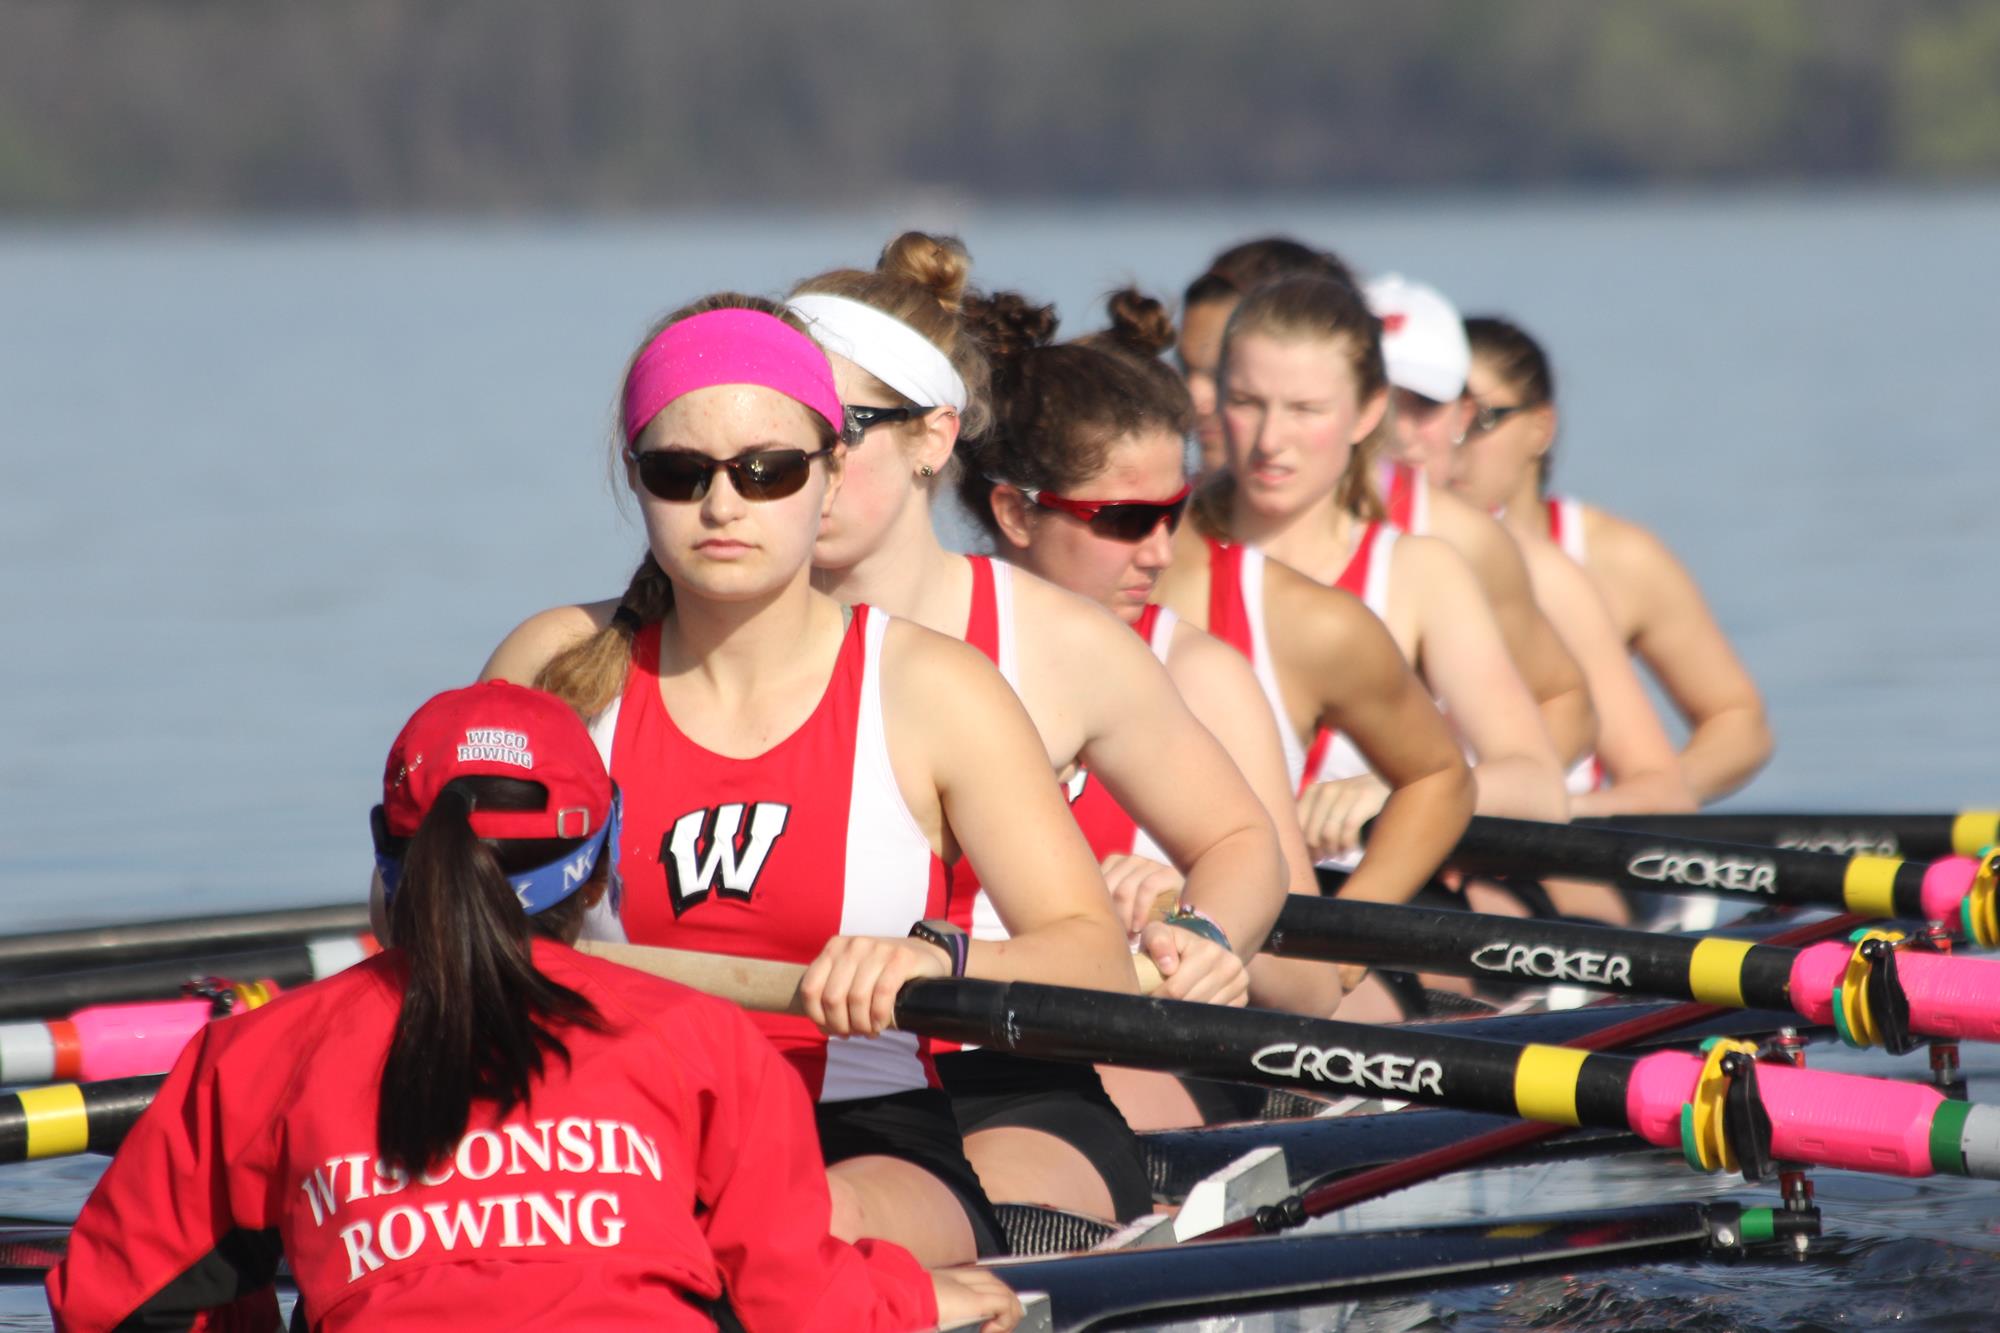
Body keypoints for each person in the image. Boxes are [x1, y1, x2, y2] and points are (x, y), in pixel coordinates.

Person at [480, 295, 1137, 1266]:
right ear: (637, 482)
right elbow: (415, 894)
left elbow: (1094, 961)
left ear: (826, 480)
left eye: (767, 470)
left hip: (866, 1137)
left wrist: (937, 965)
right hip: (603, 1139)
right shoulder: (553, 662)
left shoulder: (930, 688)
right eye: (679, 473)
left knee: (760, 1234)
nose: (721, 504)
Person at [48, 681, 1020, 1332]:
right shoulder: (702, 1040)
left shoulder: (247, 1055)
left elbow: (109, 1303)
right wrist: (907, 1295)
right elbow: (796, 1303)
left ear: (388, 858)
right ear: (600, 860)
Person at [792, 236, 1282, 1203]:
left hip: (999, 1077)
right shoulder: (674, 645)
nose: (808, 459)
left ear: (935, 437)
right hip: (756, 1074)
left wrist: (1204, 933)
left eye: (838, 426)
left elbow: (1237, 835)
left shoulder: (1060, 644)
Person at [960, 284, 1474, 1111]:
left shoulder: (1198, 675)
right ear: (1015, 513)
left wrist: (1185, 909)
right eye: (1127, 519)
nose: (1162, 551)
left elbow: (1308, 992)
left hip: (1140, 1063)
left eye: (1174, 512)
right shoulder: (909, 654)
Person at [1165, 272, 1568, 834]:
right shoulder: (1153, 548)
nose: (1270, 440)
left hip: (1360, 892)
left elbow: (1537, 785)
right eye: (1246, 402)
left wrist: (1400, 788)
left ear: (1368, 412)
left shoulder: (1422, 572)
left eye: (1305, 409)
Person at [1364, 276, 1695, 823]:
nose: (1397, 434)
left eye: (1421, 405)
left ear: (1461, 418)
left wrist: (1478, 802)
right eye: (1382, 402)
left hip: (1518, 853)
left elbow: (1663, 791)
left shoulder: (1540, 573)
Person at [1456, 315, 1773, 805]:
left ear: (1541, 428)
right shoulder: (1393, 554)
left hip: (1578, 839)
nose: (1447, 441)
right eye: (1419, 412)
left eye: (1477, 420)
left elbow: (1738, 721)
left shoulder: (1616, 558)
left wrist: (1647, 796)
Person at [1177, 238, 1357, 481]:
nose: (1195, 400)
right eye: (1186, 369)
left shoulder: (1412, 512)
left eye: (1221, 373)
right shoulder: (1162, 514)